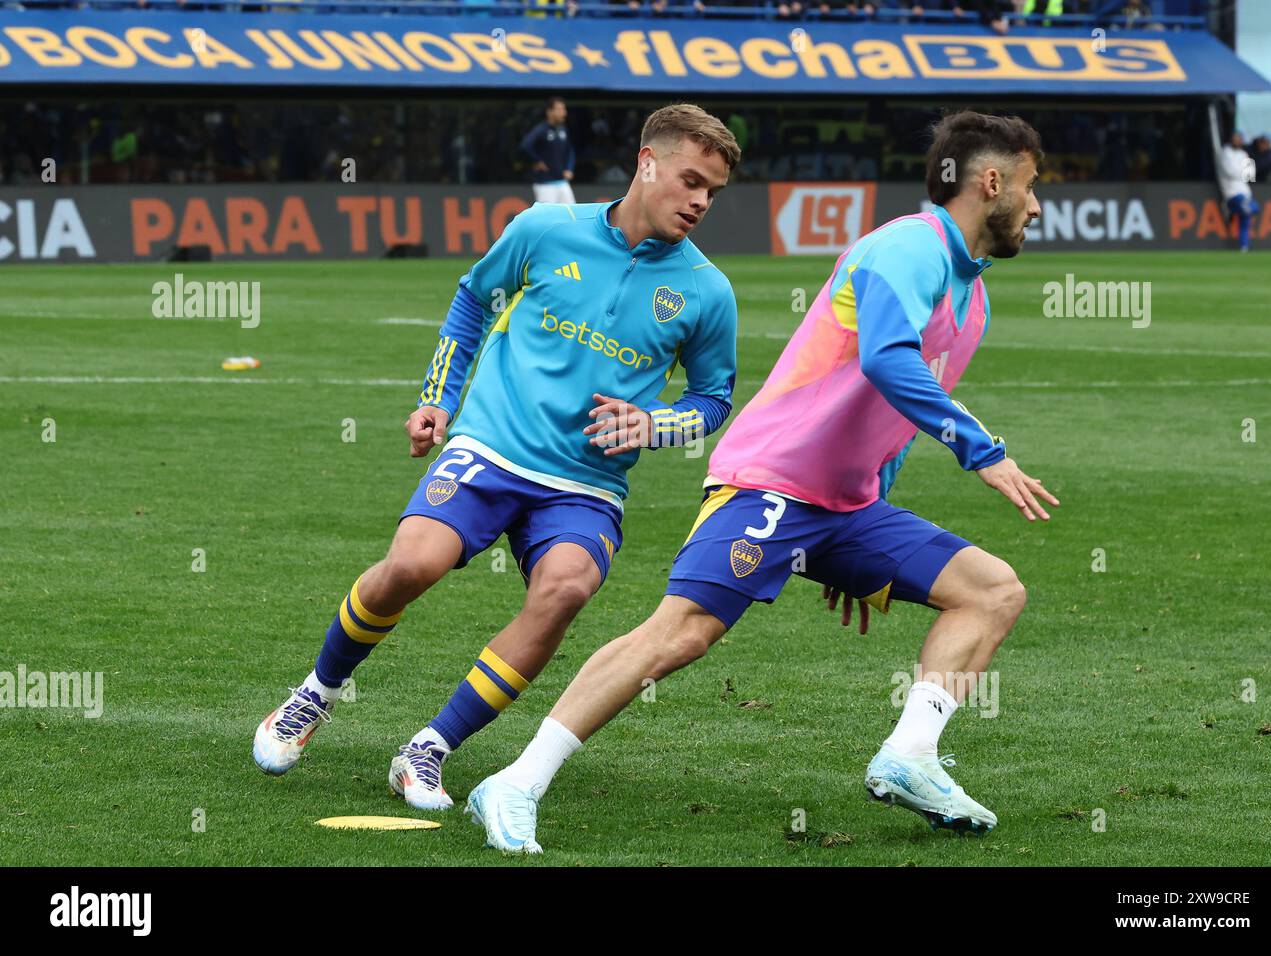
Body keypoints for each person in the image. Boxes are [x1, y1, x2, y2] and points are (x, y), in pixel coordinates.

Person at [467, 111, 1057, 853]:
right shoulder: (908, 248)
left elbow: (891, 417)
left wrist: (869, 517)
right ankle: (515, 782)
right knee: (682, 633)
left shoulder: (973, 297)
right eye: (1032, 186)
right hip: (773, 481)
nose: (1036, 206)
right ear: (992, 181)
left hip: (845, 506)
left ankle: (909, 757)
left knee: (994, 590)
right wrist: (980, 449)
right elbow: (887, 360)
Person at [252, 105, 742, 813]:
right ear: (647, 162)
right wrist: (436, 398)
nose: (700, 202)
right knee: (411, 565)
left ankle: (430, 749)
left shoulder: (707, 292)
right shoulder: (545, 230)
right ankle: (314, 696)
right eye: (692, 181)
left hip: (588, 484)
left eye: (714, 193)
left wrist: (655, 424)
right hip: (491, 447)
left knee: (566, 589)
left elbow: (712, 398)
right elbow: (472, 301)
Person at [520, 97, 576, 205]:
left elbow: (570, 150)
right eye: (559, 109)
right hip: (545, 184)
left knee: (572, 215)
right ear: (549, 112)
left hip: (562, 182)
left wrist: (569, 168)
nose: (564, 113)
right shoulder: (541, 129)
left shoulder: (563, 129)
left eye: (564, 109)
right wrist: (537, 160)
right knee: (547, 219)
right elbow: (525, 146)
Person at [1218, 129, 1259, 252]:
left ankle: (1244, 246)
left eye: (1239, 138)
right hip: (1232, 192)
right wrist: (1242, 171)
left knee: (1250, 214)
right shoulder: (1225, 152)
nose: (1237, 140)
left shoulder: (1243, 154)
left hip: (1245, 192)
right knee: (1248, 211)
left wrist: (1243, 172)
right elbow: (1230, 172)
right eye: (1235, 137)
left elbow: (1250, 175)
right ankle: (1230, 209)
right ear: (1231, 139)